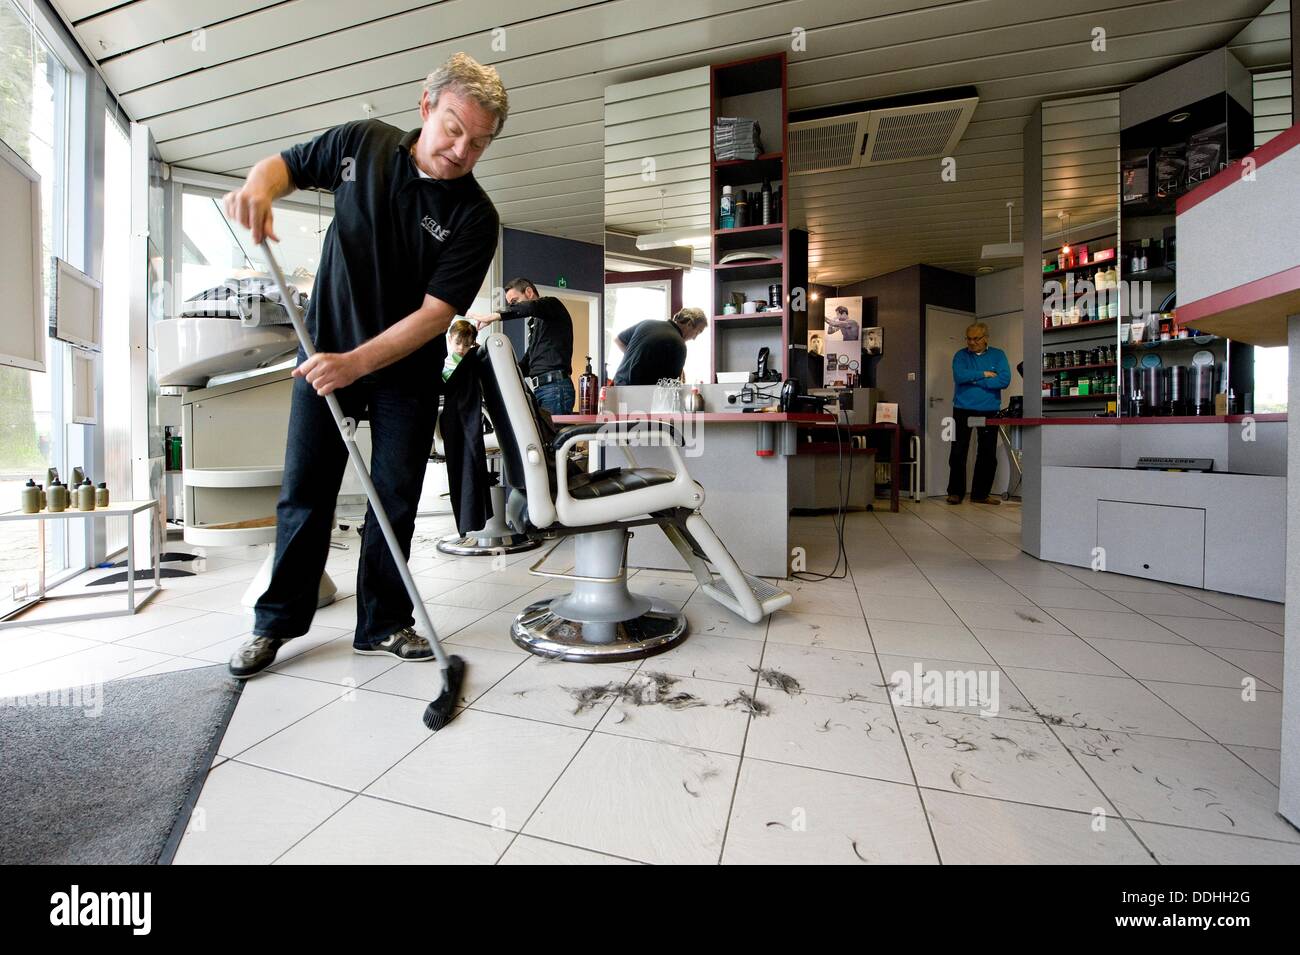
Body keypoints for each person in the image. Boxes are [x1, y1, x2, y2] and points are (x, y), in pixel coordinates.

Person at [221, 53, 508, 678]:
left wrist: (358, 363)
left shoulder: (475, 217)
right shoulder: (362, 144)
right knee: (306, 490)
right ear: (426, 107)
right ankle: (276, 624)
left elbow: (436, 315)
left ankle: (382, 623)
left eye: (479, 143)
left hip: (403, 369)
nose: (462, 151)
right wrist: (260, 188)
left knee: (395, 495)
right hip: (323, 351)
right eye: (454, 129)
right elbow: (286, 167)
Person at [470, 279, 574, 414]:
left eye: (514, 301)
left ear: (529, 292)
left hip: (555, 388)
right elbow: (528, 361)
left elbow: (528, 307)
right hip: (541, 389)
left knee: (553, 434)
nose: (513, 307)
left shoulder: (552, 304)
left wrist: (492, 317)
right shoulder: (535, 323)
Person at [947, 321, 1010, 505]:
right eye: (969, 339)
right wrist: (984, 374)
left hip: (989, 409)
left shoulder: (998, 355)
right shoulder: (960, 355)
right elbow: (959, 376)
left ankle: (980, 494)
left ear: (985, 338)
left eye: (976, 339)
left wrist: (974, 380)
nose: (972, 342)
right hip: (962, 409)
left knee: (988, 453)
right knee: (958, 451)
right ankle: (955, 492)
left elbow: (1004, 380)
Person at [612, 308, 708, 386]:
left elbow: (618, 340)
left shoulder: (647, 323)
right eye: (697, 332)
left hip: (619, 385)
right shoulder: (679, 344)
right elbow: (672, 385)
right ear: (689, 324)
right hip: (641, 393)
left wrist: (635, 357)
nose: (694, 338)